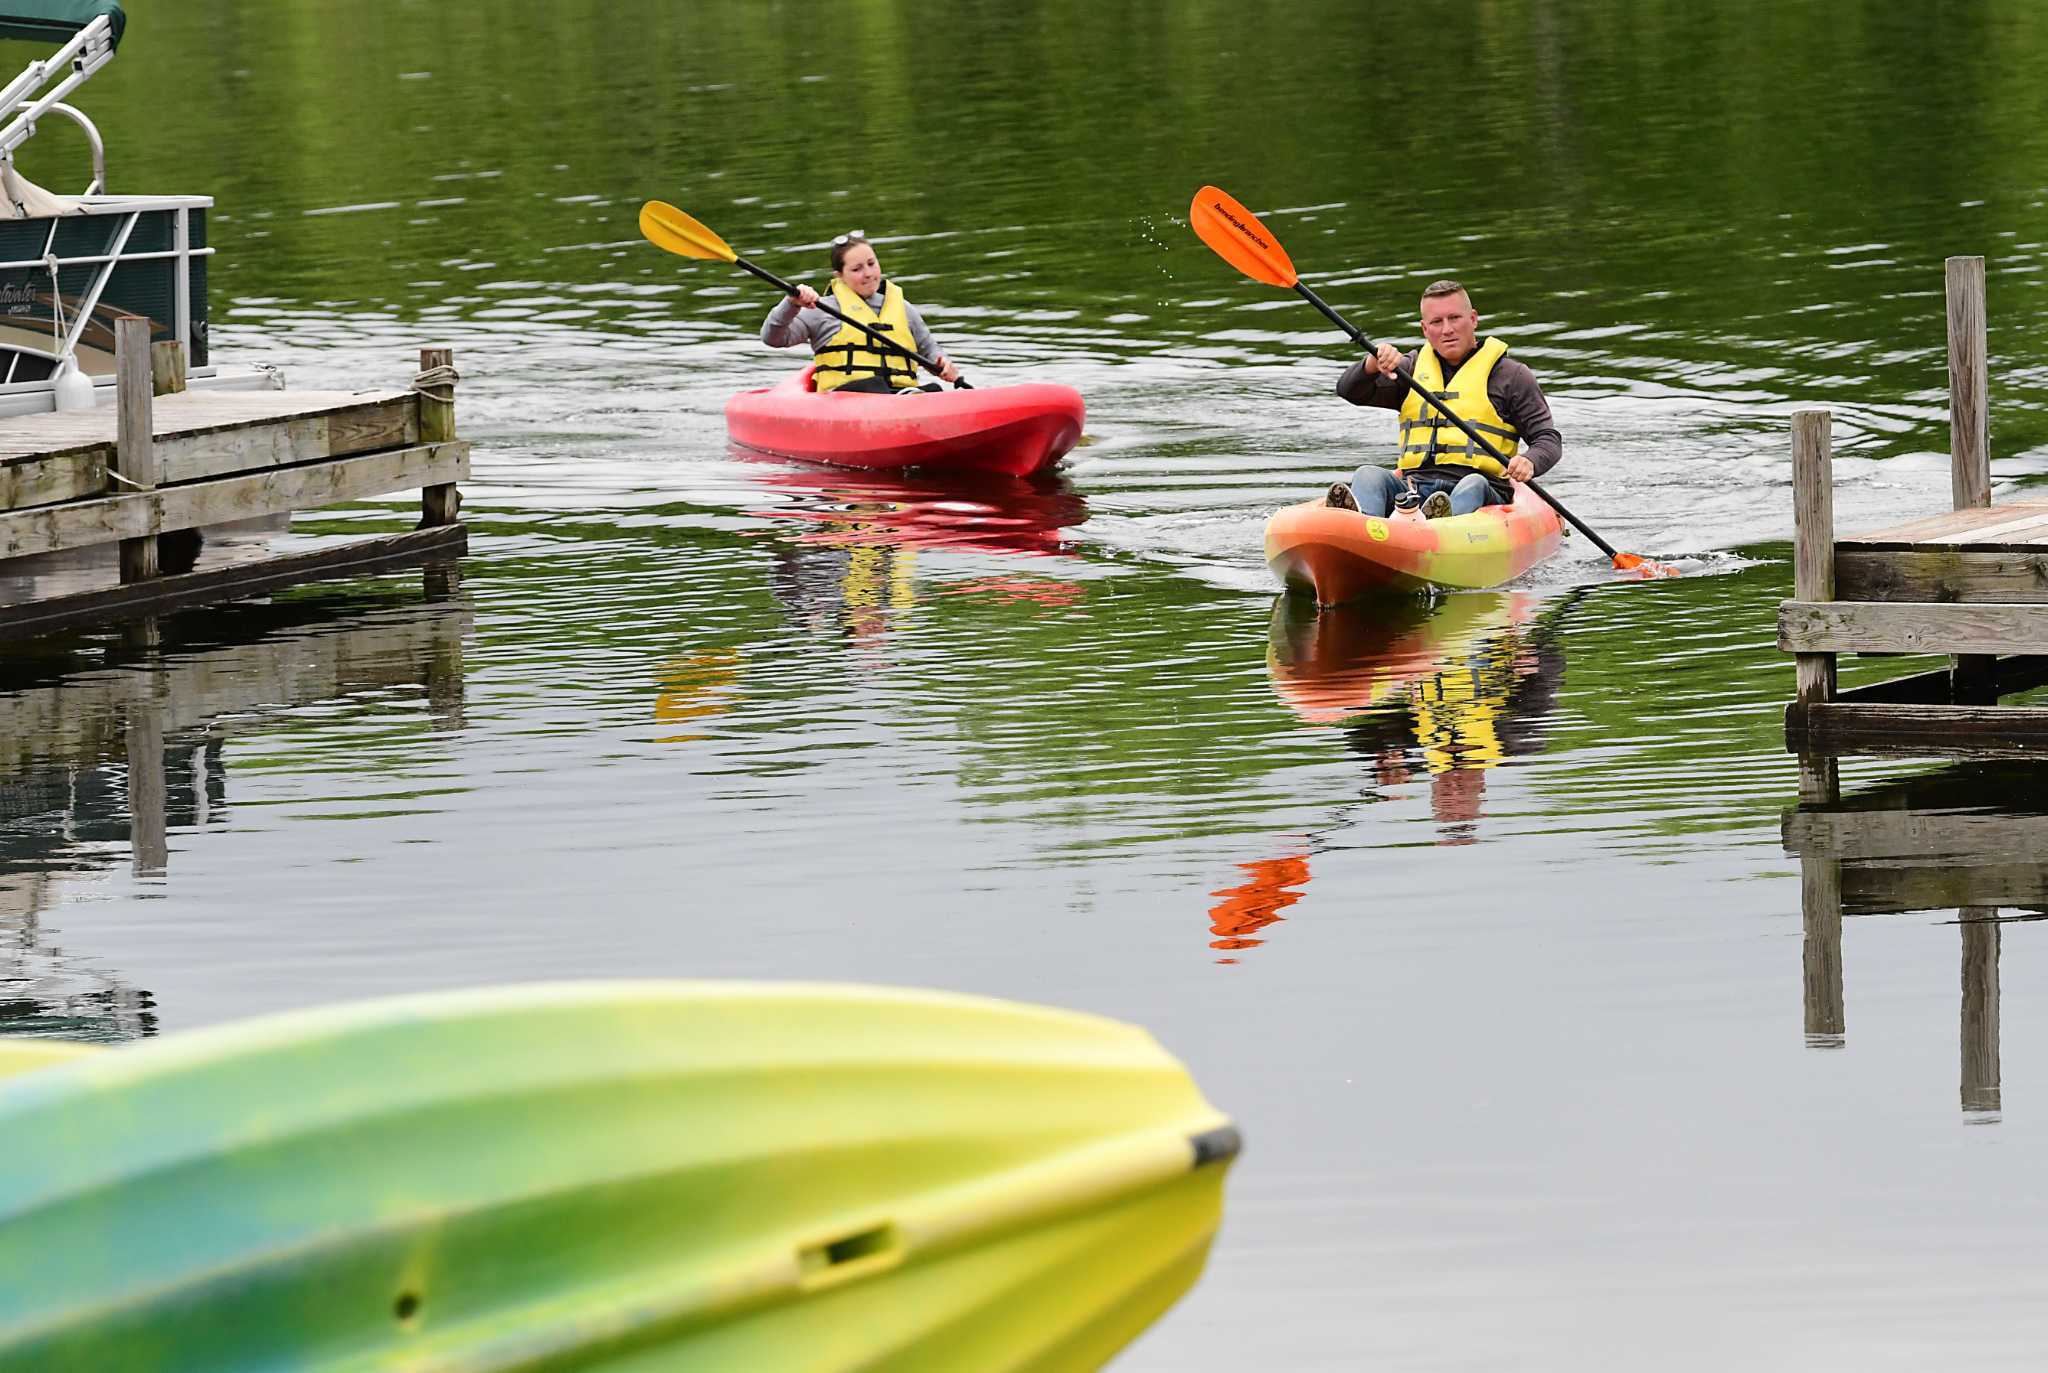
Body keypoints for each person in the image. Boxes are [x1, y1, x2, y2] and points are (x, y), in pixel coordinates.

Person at [1326, 279, 1561, 518]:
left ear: (1473, 319)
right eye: (1436, 322)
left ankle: (1439, 528)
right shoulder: (1409, 369)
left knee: (1473, 484)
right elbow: (1349, 390)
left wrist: (1529, 461)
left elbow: (1547, 439)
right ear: (1425, 329)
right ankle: (1364, 528)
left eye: (1455, 318)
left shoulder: (1511, 376)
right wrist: (1372, 364)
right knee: (1368, 474)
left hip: (1483, 492)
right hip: (1413, 489)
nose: (1447, 329)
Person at [759, 231, 959, 393]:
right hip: (844, 404)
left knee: (933, 389)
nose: (869, 274)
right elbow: (773, 338)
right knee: (872, 385)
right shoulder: (820, 309)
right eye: (857, 269)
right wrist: (791, 303)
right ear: (840, 275)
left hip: (899, 397)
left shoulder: (903, 308)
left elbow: (930, 350)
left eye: (872, 264)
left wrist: (943, 363)